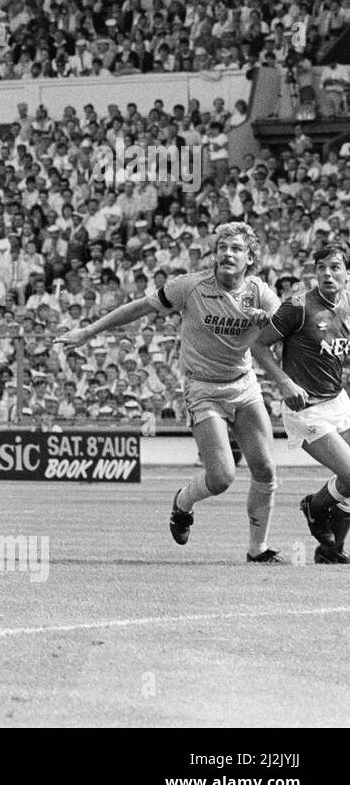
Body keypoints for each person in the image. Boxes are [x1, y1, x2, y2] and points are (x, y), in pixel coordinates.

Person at [58, 222, 285, 562]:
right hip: (203, 388)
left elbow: (285, 329)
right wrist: (88, 331)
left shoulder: (260, 293)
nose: (227, 253)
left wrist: (268, 321)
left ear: (250, 257)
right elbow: (139, 307)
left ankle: (258, 549)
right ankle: (183, 502)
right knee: (222, 478)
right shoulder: (189, 287)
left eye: (236, 248)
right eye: (222, 247)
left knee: (265, 470)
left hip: (244, 386)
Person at [250, 244, 350, 563]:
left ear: (347, 273)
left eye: (335, 267)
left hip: (338, 400)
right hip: (304, 408)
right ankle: (317, 507)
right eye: (321, 267)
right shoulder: (298, 305)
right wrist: (284, 381)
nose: (327, 273)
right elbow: (259, 345)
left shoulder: (347, 307)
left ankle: (331, 550)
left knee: (349, 481)